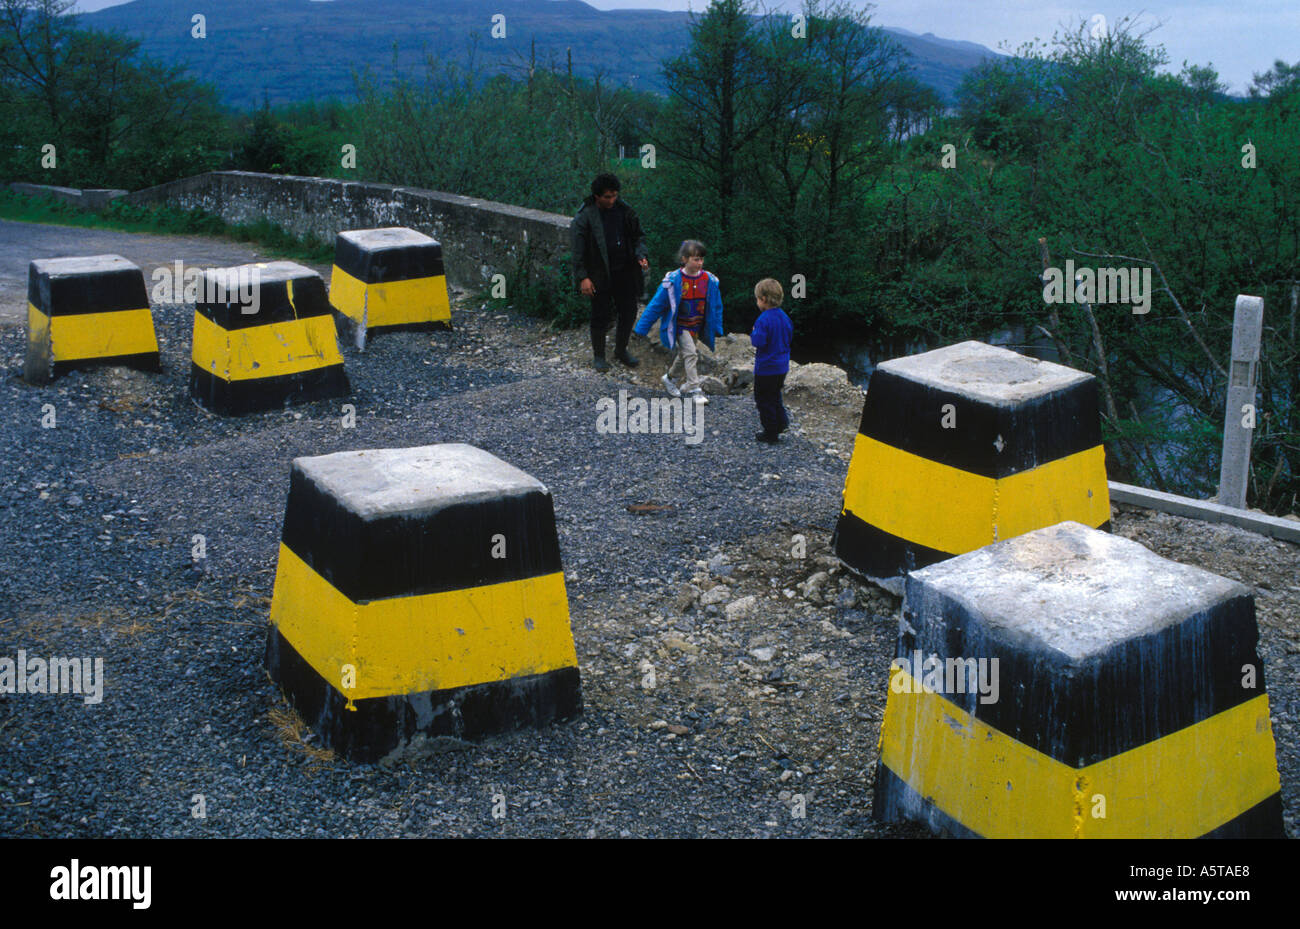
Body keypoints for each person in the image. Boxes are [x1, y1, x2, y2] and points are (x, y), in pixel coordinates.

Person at [571, 173, 649, 372]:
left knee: (629, 311)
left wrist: (641, 254)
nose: (612, 200)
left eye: (614, 195)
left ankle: (621, 350)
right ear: (597, 196)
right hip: (599, 273)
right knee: (600, 314)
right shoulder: (585, 217)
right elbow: (577, 251)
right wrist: (583, 277)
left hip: (625, 271)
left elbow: (639, 236)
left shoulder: (625, 211)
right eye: (607, 197)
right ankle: (599, 356)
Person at [633, 239, 723, 405]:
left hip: (696, 325)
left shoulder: (709, 281)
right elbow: (656, 305)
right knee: (691, 353)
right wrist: (642, 327)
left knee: (685, 354)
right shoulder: (673, 281)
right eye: (696, 259)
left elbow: (716, 305)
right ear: (684, 259)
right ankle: (695, 389)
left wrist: (717, 326)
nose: (700, 263)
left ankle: (669, 378)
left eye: (702, 259)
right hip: (680, 326)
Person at [750, 278, 793, 444]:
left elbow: (758, 342)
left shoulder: (763, 320)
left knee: (763, 399)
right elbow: (789, 336)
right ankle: (781, 422)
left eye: (757, 298)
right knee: (775, 395)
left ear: (763, 299)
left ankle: (770, 432)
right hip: (782, 366)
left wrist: (754, 332)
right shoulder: (784, 317)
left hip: (766, 367)